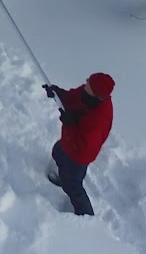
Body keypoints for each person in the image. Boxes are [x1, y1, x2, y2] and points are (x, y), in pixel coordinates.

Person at [41, 72, 115, 216]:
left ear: (97, 95)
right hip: (70, 143)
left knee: (72, 184)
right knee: (57, 151)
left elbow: (83, 147)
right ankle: (63, 177)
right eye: (89, 80)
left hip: (80, 156)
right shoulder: (88, 93)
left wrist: (70, 124)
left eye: (90, 84)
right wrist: (58, 93)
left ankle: (86, 215)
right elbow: (72, 98)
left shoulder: (98, 119)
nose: (86, 81)